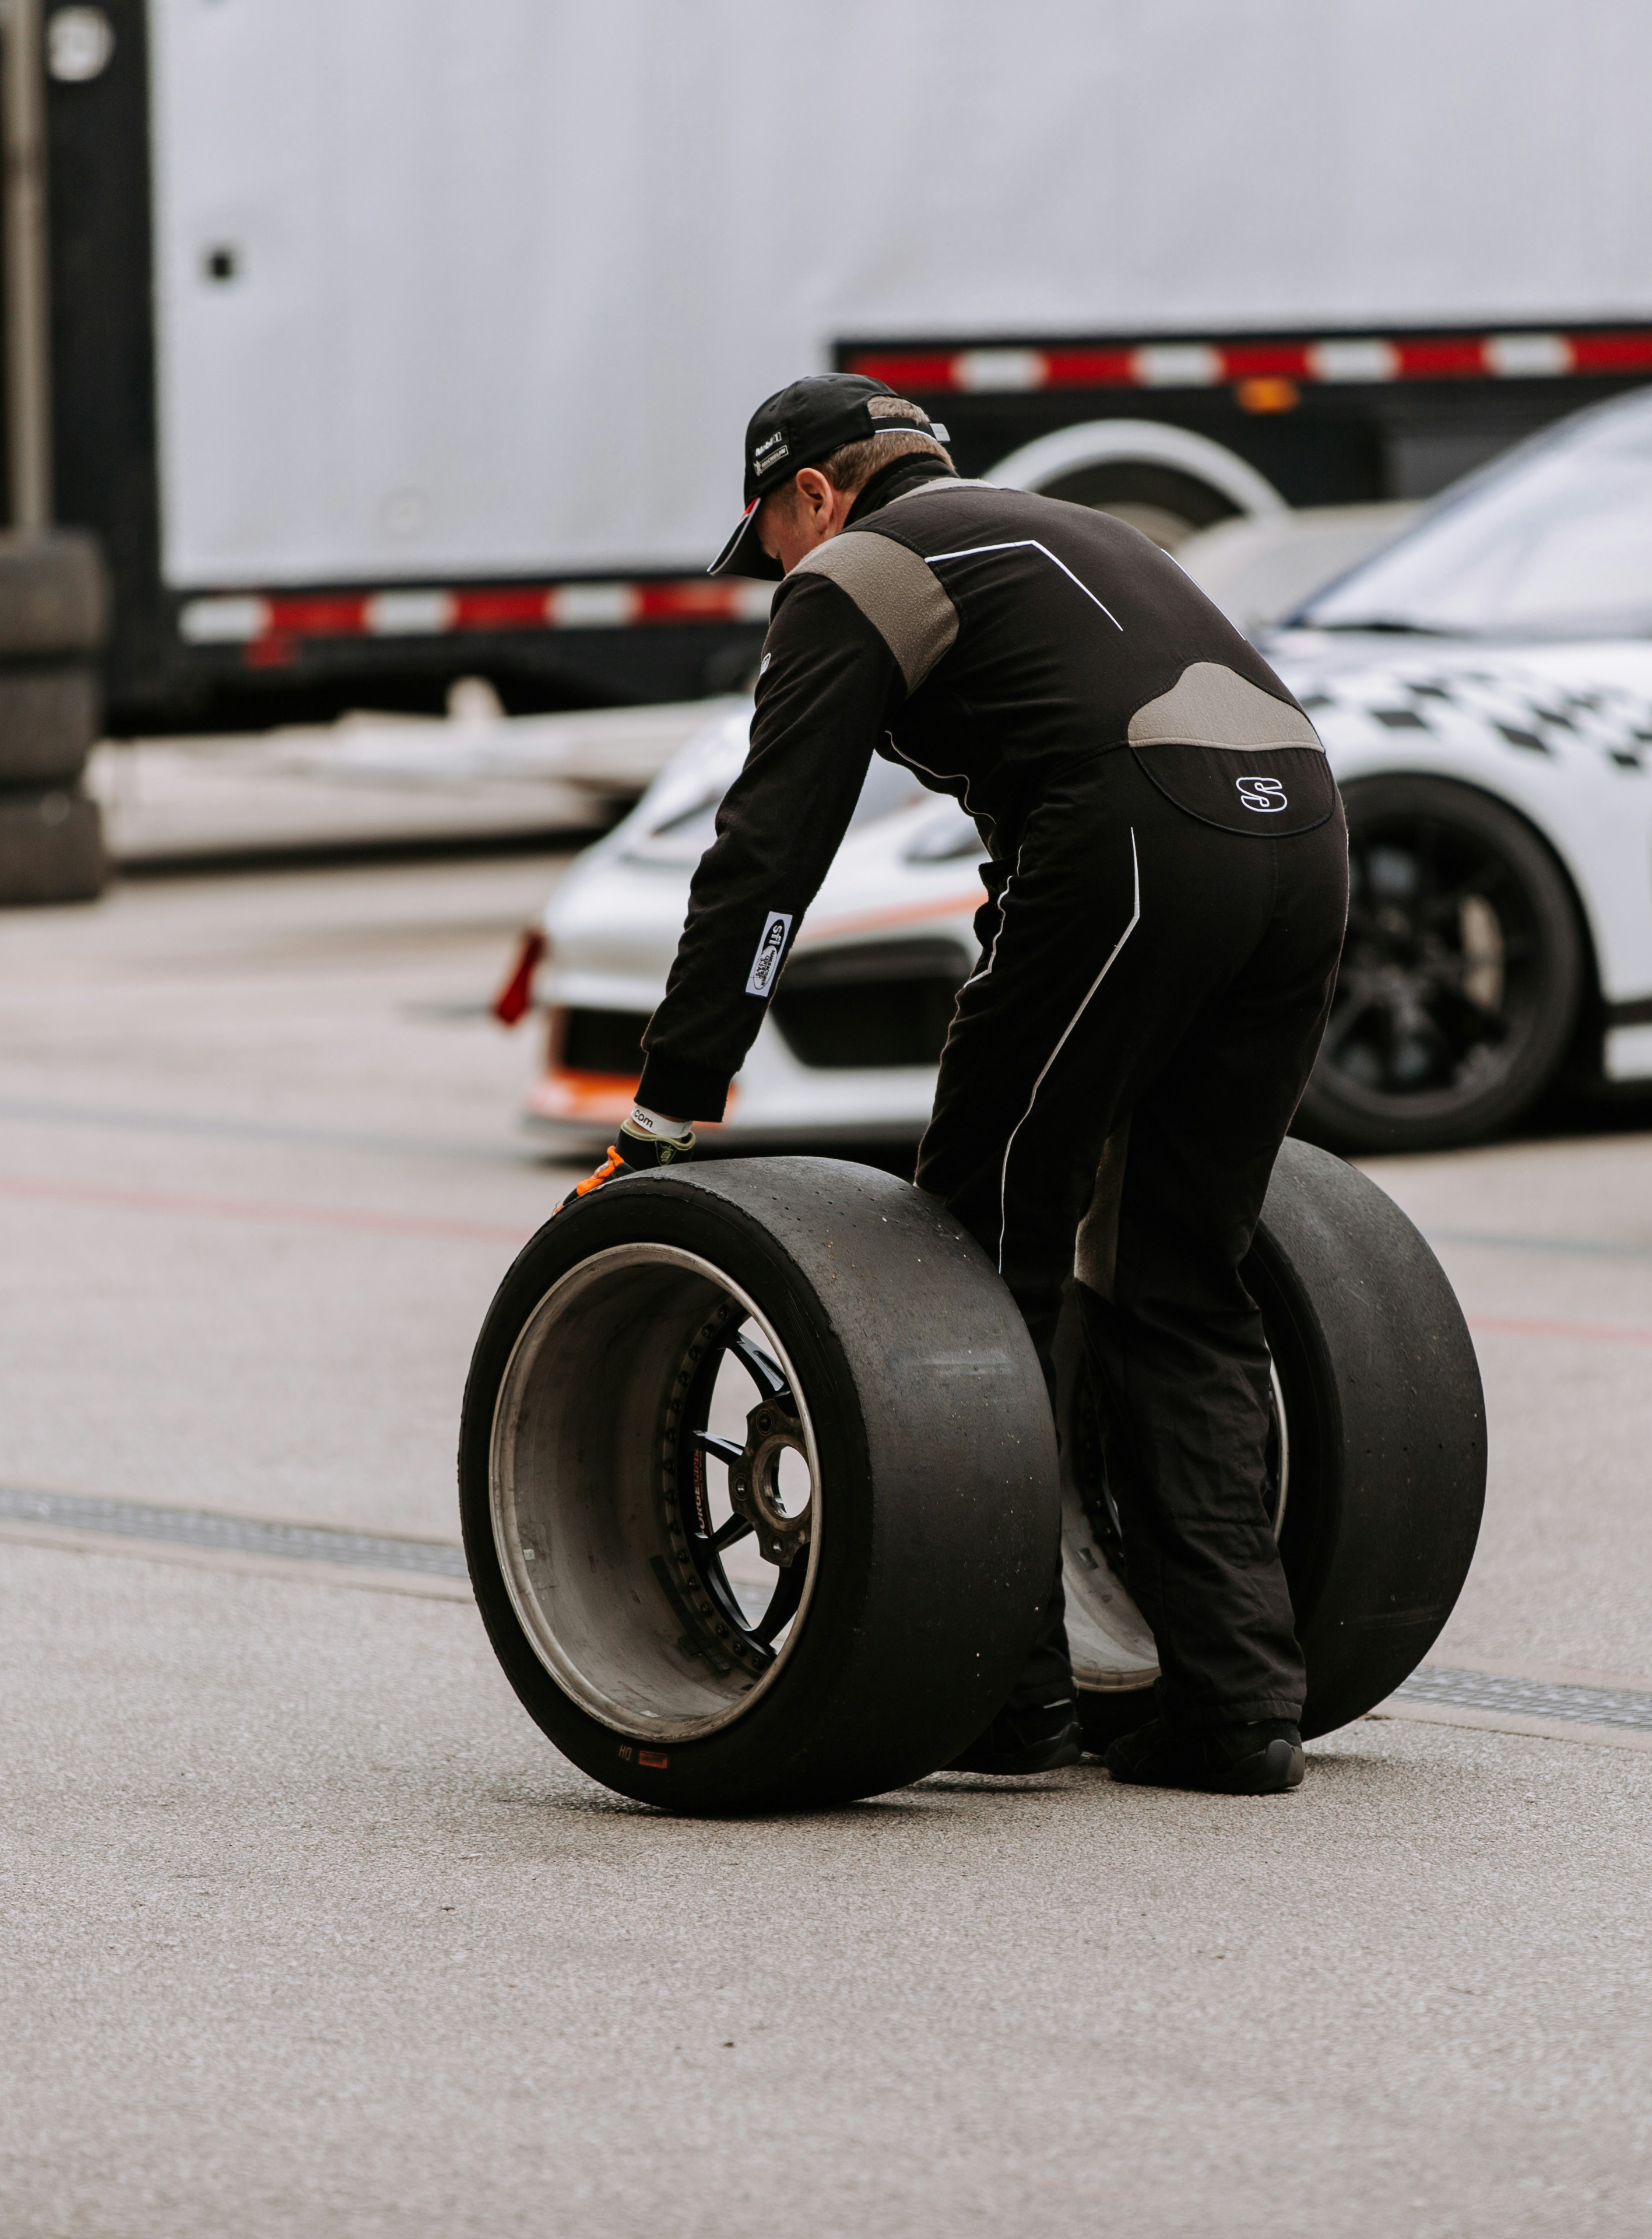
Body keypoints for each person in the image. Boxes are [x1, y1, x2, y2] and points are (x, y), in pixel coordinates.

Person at [564, 374, 1346, 1795]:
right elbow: (1062, 750)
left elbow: (767, 857)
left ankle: (1011, 1694)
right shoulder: (1085, 531)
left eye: (772, 544)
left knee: (979, 1258)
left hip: (1138, 843)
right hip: (1303, 834)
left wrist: (673, 1102)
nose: (779, 579)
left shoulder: (858, 569)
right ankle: (1240, 1707)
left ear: (812, 494)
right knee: (1179, 1272)